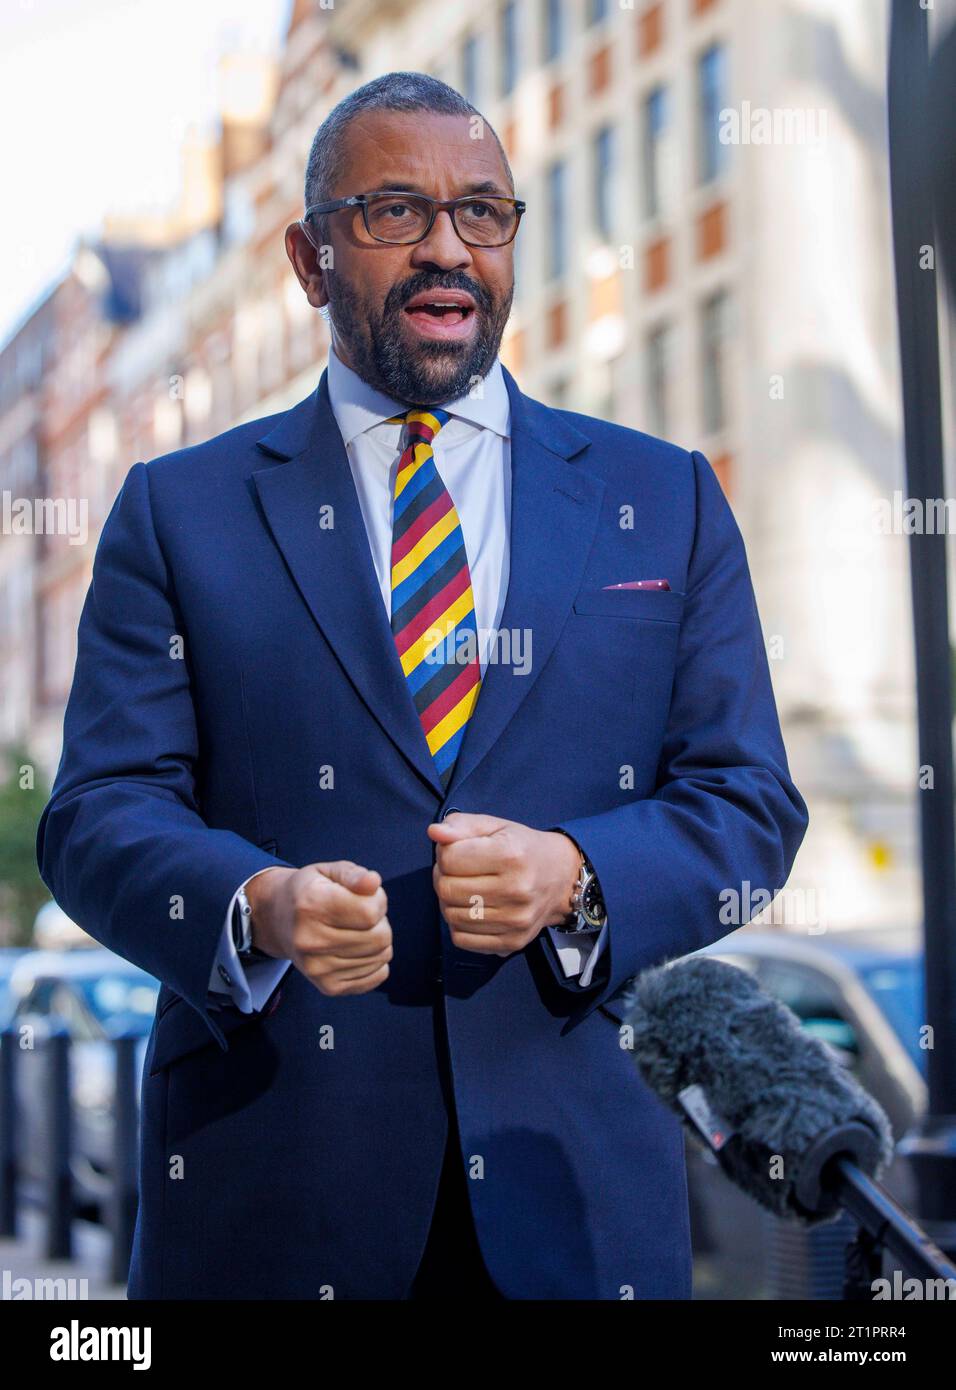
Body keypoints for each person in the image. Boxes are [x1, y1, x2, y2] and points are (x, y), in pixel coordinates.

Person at [36, 72, 808, 1300]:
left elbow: (749, 804)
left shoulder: (662, 498)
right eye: (394, 212)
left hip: (576, 1200)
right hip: (272, 1202)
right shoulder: (177, 512)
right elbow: (94, 818)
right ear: (308, 257)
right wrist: (258, 903)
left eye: (482, 212)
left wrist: (577, 874)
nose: (447, 248)